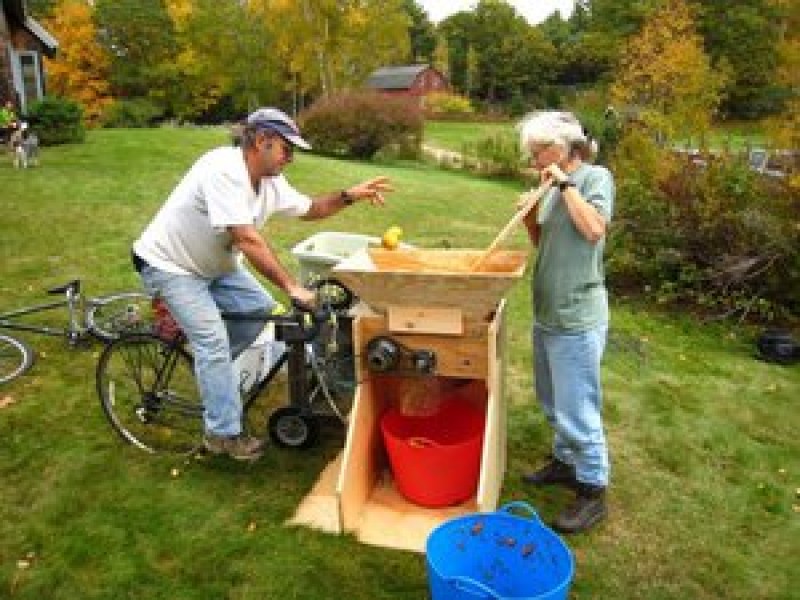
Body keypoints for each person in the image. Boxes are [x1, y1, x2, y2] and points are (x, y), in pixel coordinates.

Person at [132, 107, 393, 461]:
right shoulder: (222, 169)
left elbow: (312, 209)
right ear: (260, 141)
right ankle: (222, 435)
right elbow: (245, 238)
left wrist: (349, 195)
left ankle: (213, 371)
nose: (291, 158)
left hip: (214, 266)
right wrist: (292, 286)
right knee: (212, 340)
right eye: (287, 149)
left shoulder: (271, 182)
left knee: (257, 310)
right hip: (170, 265)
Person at [518, 111, 614, 534]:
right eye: (533, 152)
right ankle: (565, 461)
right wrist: (529, 212)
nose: (534, 159)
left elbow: (594, 229)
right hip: (548, 310)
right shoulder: (552, 185)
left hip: (577, 314)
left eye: (538, 151)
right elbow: (546, 241)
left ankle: (593, 490)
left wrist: (563, 184)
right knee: (553, 399)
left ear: (562, 146)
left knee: (578, 407)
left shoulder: (595, 178)